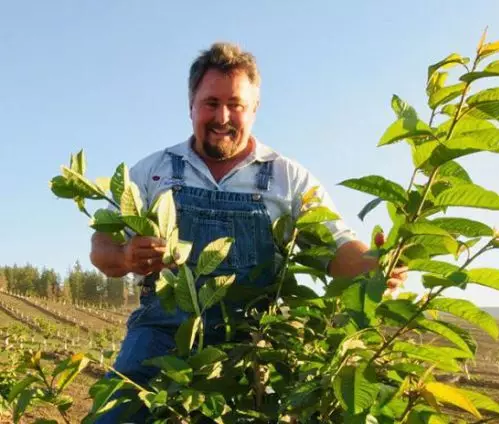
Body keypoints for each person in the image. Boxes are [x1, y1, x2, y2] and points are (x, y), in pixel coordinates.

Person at [90, 42, 407, 422]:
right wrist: (126, 256)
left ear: (254, 109)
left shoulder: (287, 179)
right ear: (191, 105)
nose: (222, 116)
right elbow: (101, 246)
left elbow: (336, 248)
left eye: (235, 105)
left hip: (251, 344)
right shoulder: (152, 172)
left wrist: (377, 266)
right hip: (159, 339)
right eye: (210, 103)